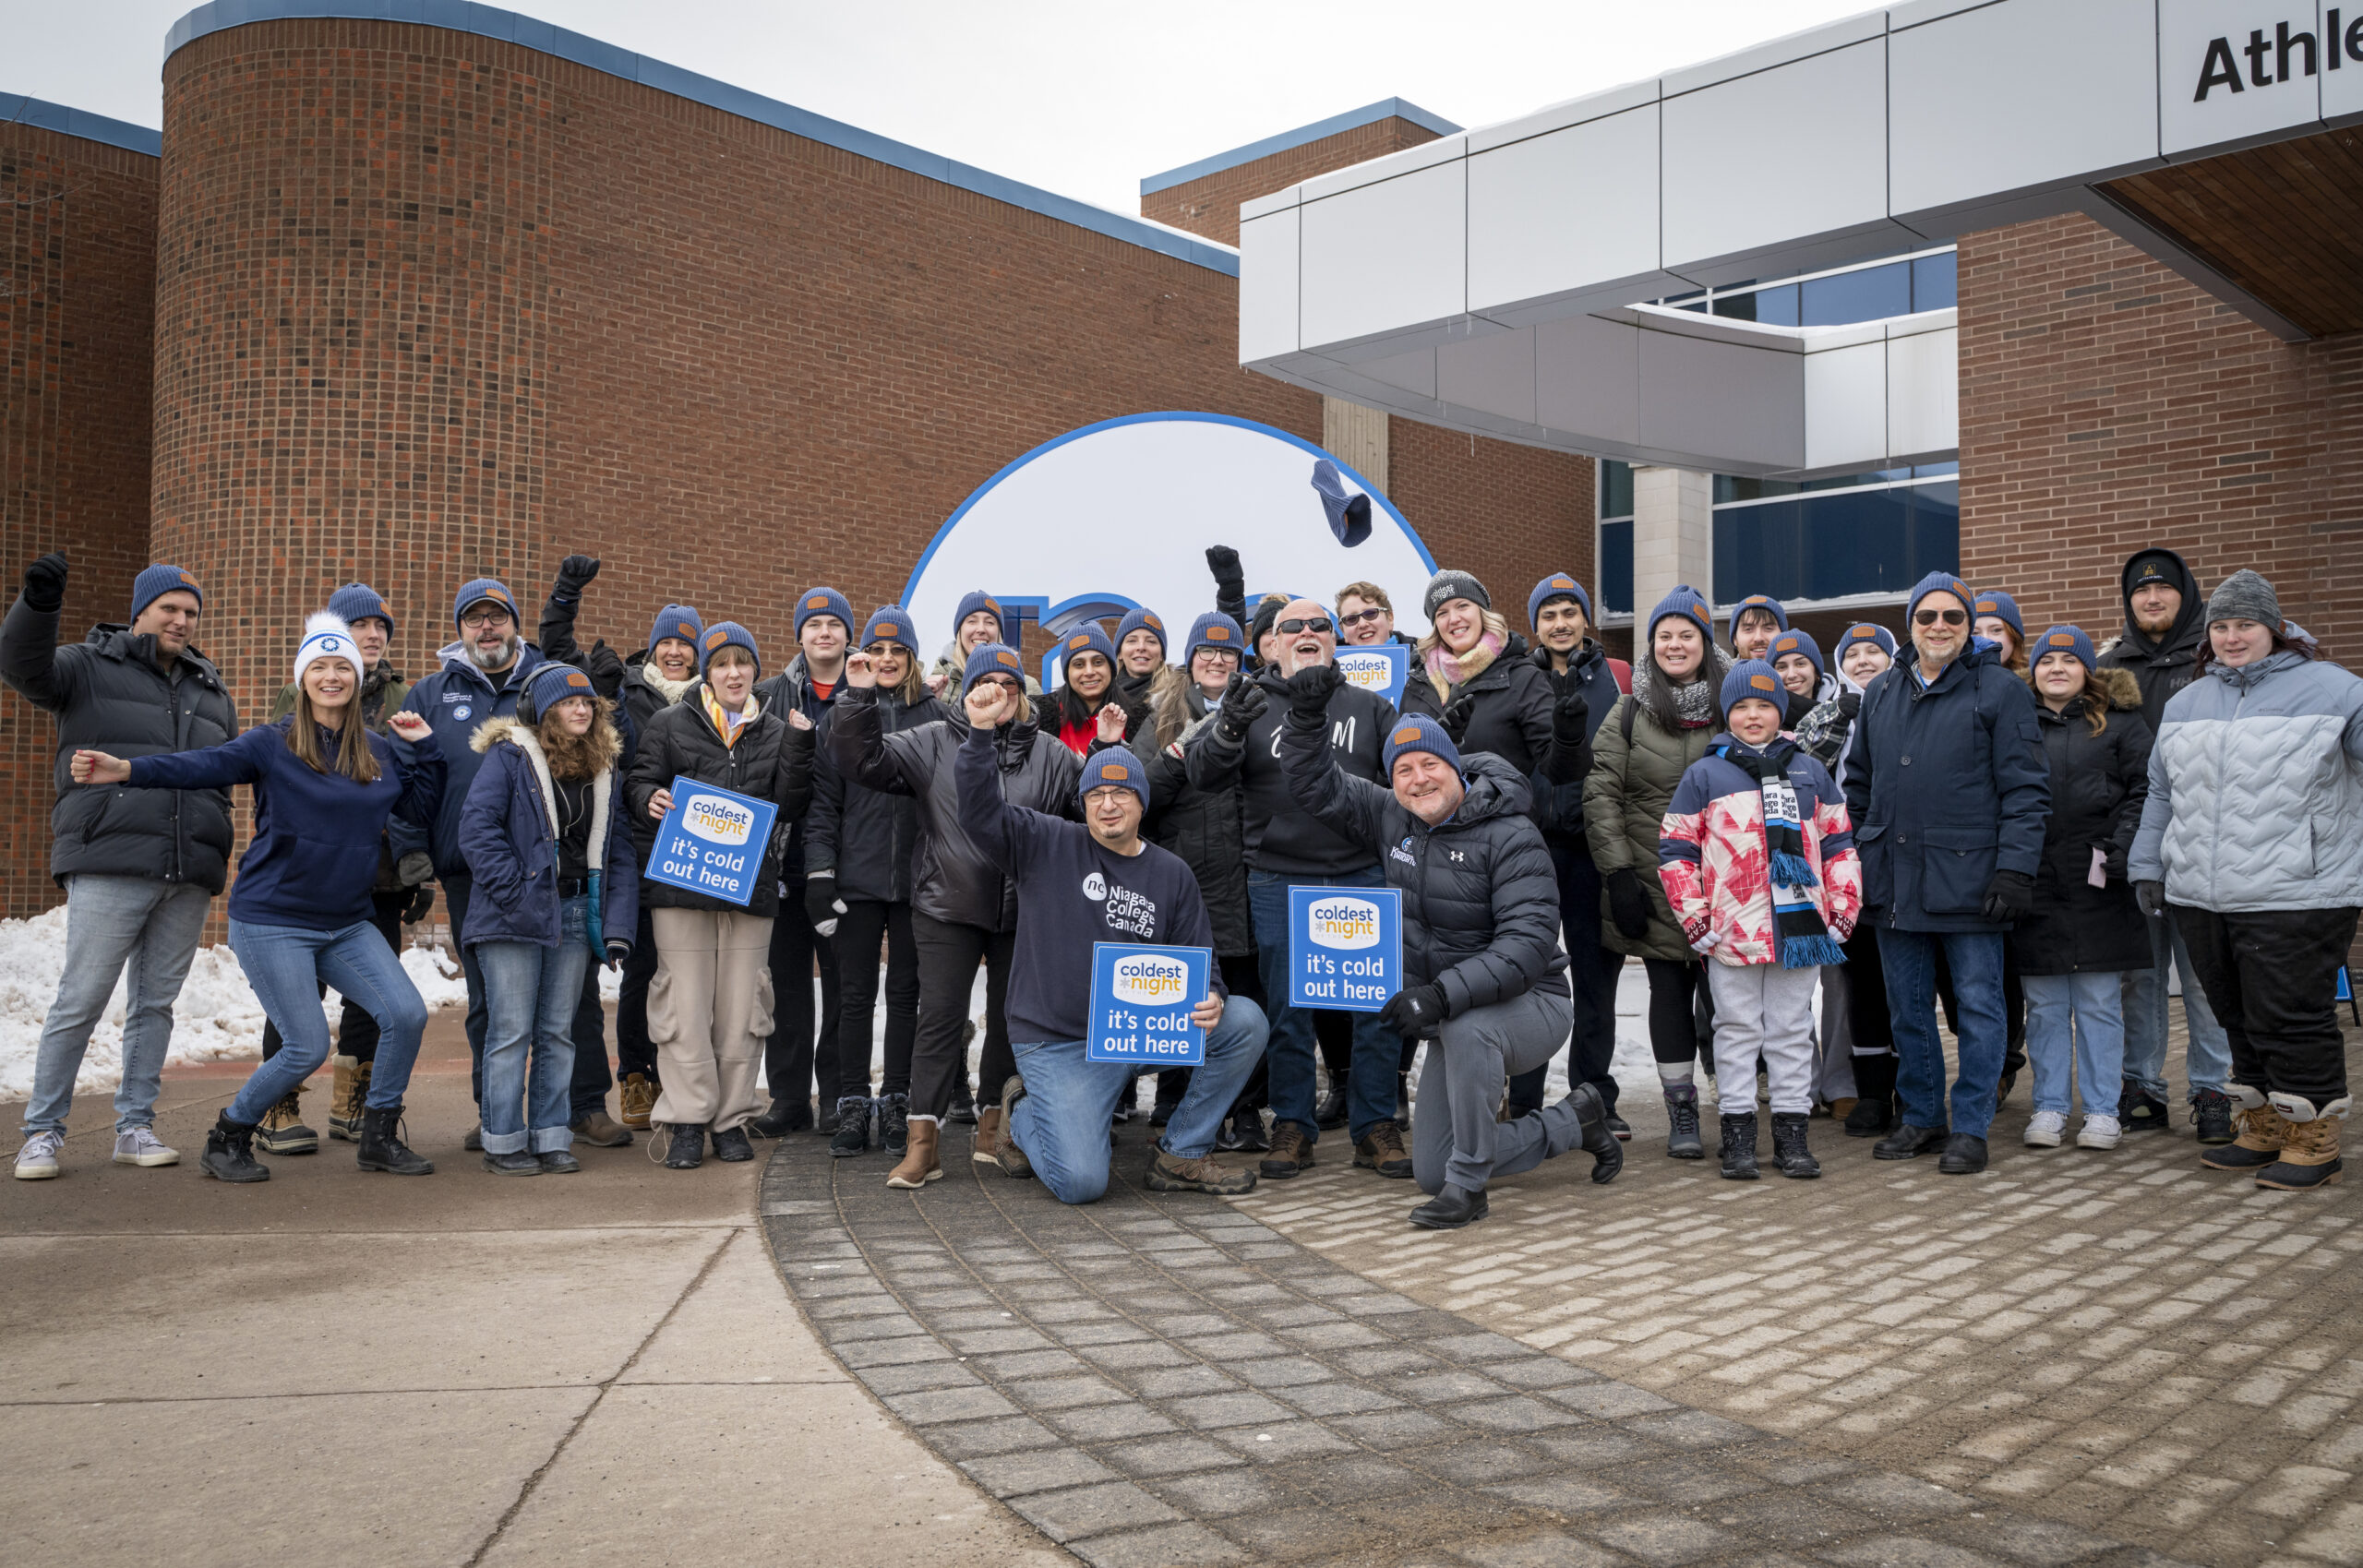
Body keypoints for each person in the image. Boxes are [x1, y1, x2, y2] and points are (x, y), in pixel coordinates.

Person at [71, 612, 442, 1183]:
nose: (332, 676)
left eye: (342, 665)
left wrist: (424, 750)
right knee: (306, 1045)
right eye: (319, 666)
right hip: (273, 919)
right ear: (303, 678)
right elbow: (200, 766)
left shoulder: (377, 750)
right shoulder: (273, 744)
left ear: (356, 677)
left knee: (407, 1013)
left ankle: (379, 1135)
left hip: (345, 922)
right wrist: (126, 770)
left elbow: (418, 809)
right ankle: (228, 1135)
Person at [1279, 693, 1620, 1227]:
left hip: (1534, 1004)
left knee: (1466, 1037)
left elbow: (1526, 944)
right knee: (1431, 1166)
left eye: (1430, 764)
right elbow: (1316, 787)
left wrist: (1437, 996)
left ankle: (1469, 1192)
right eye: (1403, 769)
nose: (1418, 780)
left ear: (1455, 767)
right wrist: (1305, 717)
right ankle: (1573, 1122)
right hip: (1456, 1011)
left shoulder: (1511, 832)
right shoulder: (1393, 817)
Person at [956, 702, 1267, 1203]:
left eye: (1121, 792)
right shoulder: (1044, 843)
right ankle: (1027, 1115)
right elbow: (977, 813)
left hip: (1138, 1035)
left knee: (1244, 1021)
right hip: (1058, 1043)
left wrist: (1211, 992)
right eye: (1096, 794)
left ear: (1142, 802)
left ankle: (1181, 1152)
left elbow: (1198, 953)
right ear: (1082, 803)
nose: (1107, 804)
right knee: (1080, 1183)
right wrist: (978, 737)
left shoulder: (1171, 873)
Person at [6, 557, 239, 1180]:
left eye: (191, 611)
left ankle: (135, 1125)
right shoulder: (87, 666)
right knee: (80, 998)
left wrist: (217, 835)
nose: (182, 620)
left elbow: (222, 773)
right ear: (141, 610)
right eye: (170, 608)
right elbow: (21, 666)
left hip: (187, 869)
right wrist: (38, 603)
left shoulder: (209, 685)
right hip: (110, 859)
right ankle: (42, 1132)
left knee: (155, 1005)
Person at [2132, 570, 2363, 1191]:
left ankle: (2313, 1133)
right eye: (2222, 626)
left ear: (2275, 628)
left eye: (2246, 624)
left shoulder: (2337, 691)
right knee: (2236, 1013)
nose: (2233, 637)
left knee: (2292, 1015)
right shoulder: (2187, 701)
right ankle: (2262, 1124)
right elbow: (2162, 792)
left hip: (2299, 891)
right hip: (2204, 894)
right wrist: (2148, 863)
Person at [830, 642, 1082, 1187]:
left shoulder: (1054, 755)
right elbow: (859, 760)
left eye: (1008, 686)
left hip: (1023, 907)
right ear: (967, 691)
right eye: (984, 685)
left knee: (1012, 1020)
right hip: (946, 902)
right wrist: (857, 697)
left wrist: (1109, 751)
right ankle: (924, 1144)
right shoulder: (933, 740)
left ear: (1022, 693)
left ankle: (995, 1130)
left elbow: (1094, 812)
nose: (995, 695)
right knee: (939, 1018)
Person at [1185, 598, 1403, 1181]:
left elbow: (1404, 781)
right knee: (1288, 1009)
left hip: (1362, 873)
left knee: (1375, 1008)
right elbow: (1202, 772)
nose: (1308, 632)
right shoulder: (1249, 703)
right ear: (1270, 645)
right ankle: (1293, 1125)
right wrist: (1228, 723)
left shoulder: (1370, 704)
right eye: (1293, 627)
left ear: (1334, 642)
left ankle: (1375, 1125)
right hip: (1279, 875)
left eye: (1319, 626)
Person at [1845, 571, 2049, 1176]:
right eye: (1927, 616)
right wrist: (1861, 848)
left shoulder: (1999, 691)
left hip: (1971, 880)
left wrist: (2014, 869)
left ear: (1967, 626)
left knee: (1980, 1008)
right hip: (1894, 879)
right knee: (1907, 1007)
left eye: (1952, 618)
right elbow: (1858, 781)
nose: (1939, 627)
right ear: (1910, 623)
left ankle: (1971, 1124)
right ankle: (1924, 1115)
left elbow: (2027, 790)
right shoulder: (1882, 689)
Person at [1659, 661, 1861, 1180]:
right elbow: (1676, 851)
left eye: (1765, 705)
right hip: (1732, 931)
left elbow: (1839, 844)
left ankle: (1792, 1135)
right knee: (1736, 1030)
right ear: (1727, 714)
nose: (1753, 716)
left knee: (1792, 1031)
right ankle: (1738, 1134)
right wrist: (1696, 918)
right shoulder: (1705, 773)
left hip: (1801, 930)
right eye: (1742, 707)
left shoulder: (1809, 770)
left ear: (1780, 711)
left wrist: (1842, 909)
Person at [246, 584, 428, 1154]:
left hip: (380, 878)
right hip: (306, 882)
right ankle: (278, 1103)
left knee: (376, 1002)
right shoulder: (299, 698)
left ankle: (356, 1104)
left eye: (381, 627)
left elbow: (415, 790)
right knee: (300, 996)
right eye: (360, 626)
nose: (373, 635)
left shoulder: (404, 695)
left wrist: (414, 868)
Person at [625, 622, 813, 1170]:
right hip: (680, 888)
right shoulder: (668, 722)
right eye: (723, 663)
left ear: (757, 671)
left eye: (743, 663)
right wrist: (649, 798)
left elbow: (792, 805)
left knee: (741, 1010)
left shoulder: (778, 729)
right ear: (708, 671)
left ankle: (731, 1120)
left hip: (749, 889)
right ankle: (688, 1119)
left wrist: (800, 745)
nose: (734, 673)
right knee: (683, 1007)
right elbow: (639, 782)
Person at [457, 663, 640, 1174]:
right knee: (511, 1030)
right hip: (513, 912)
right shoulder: (510, 757)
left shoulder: (605, 767)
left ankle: (552, 1135)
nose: (580, 709)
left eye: (588, 703)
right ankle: (503, 1141)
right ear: (542, 710)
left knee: (559, 1030)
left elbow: (617, 850)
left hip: (577, 910)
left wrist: (617, 925)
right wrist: (516, 894)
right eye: (568, 702)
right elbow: (477, 829)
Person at [540, 584, 706, 1133]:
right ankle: (636, 1075)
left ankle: (686, 1079)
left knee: (690, 975)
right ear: (653, 647)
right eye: (667, 643)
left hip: (699, 858)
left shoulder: (715, 700)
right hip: (638, 852)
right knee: (642, 972)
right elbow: (573, 694)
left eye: (685, 645)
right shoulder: (624, 689)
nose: (675, 652)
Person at [1585, 585, 1733, 1161]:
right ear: (1652, 646)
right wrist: (1619, 875)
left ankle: (1739, 1107)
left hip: (1730, 888)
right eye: (1664, 636)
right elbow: (1602, 795)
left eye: (1685, 634)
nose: (1675, 644)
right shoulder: (1629, 712)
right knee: (1670, 994)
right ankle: (1682, 1112)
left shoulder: (1736, 704)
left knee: (1730, 1003)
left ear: (1704, 641)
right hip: (1654, 881)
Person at [400, 577, 546, 1147]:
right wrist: (413, 853)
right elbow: (409, 780)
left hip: (545, 870)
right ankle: (497, 1113)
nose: (487, 627)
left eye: (497, 616)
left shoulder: (545, 683)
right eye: (474, 619)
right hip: (469, 872)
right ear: (460, 631)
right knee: (488, 999)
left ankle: (569, 1110)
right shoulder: (431, 694)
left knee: (557, 1001)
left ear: (515, 623)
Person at [2099, 548, 2232, 1139]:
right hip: (2134, 846)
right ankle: (2143, 1088)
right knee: (2141, 975)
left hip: (2208, 843)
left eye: (2164, 591)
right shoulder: (2108, 668)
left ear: (2187, 595)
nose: (2152, 600)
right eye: (2140, 592)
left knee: (2205, 975)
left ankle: (2213, 1090)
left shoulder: (2215, 660)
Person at [806, 605, 947, 1158]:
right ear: (862, 657)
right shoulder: (838, 718)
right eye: (878, 651)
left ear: (912, 657)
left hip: (920, 880)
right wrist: (821, 872)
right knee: (852, 995)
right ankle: (850, 1103)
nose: (887, 660)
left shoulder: (940, 716)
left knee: (908, 994)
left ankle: (896, 1102)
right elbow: (822, 807)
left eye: (898, 651)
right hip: (857, 880)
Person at [2013, 627, 2152, 1152]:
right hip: (2039, 883)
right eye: (2046, 660)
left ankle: (2101, 1110)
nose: (2056, 669)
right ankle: (2049, 1107)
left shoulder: (2120, 723)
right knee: (2044, 1006)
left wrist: (2125, 844)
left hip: (2101, 883)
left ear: (2088, 671)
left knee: (2098, 1003)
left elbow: (2146, 788)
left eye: (2069, 661)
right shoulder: (2017, 725)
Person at [1506, 572, 1631, 1134]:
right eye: (1549, 614)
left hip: (1592, 847)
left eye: (1569, 612)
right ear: (1536, 625)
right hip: (1528, 849)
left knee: (1595, 977)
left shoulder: (1619, 680)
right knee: (1527, 972)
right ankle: (1524, 1101)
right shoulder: (1516, 678)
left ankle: (1592, 1096)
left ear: (1586, 618)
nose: (1560, 624)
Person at [1140, 611, 1267, 1148]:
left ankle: (1248, 1113)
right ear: (1190, 660)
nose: (1217, 661)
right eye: (1206, 652)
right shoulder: (1164, 715)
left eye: (1228, 653)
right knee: (1199, 1004)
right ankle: (1196, 1112)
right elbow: (1141, 793)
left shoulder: (1262, 709)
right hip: (1192, 878)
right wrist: (1181, 752)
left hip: (1252, 875)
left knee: (1249, 997)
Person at [750, 587, 854, 1137]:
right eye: (813, 625)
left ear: (846, 635)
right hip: (780, 862)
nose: (824, 634)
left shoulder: (862, 692)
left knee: (842, 984)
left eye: (834, 625)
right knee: (786, 986)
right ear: (799, 636)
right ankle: (789, 1097)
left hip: (841, 864)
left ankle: (836, 1096)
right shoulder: (770, 694)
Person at [1795, 621, 1901, 1136]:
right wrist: (1840, 718)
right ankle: (1868, 1089)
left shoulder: (1909, 701)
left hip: (1904, 860)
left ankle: (1911, 1084)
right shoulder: (1826, 713)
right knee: (1858, 979)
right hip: (1843, 862)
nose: (1863, 661)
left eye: (1873, 652)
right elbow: (1809, 773)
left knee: (1904, 978)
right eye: (1852, 653)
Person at [1038, 623, 1147, 756]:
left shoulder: (1140, 717)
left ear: (1111, 669)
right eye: (1079, 665)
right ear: (1067, 673)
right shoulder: (1039, 716)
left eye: (1098, 662)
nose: (1089, 672)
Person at [1113, 606, 1169, 705]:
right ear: (1120, 653)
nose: (1141, 647)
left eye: (1151, 641)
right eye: (1132, 641)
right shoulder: (1102, 696)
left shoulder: (1178, 698)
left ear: (1161, 655)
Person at [1335, 581, 1410, 648]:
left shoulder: (1421, 659)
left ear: (1390, 618)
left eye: (1370, 614)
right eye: (1351, 619)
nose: (1362, 624)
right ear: (1343, 632)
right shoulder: (1327, 663)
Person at [1973, 590, 2028, 675]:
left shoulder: (2036, 684)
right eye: (1975, 633)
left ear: (2015, 636)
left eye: (1996, 630)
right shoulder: (1953, 683)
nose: (1985, 639)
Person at [1727, 593, 1788, 663]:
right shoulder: (1721, 673)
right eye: (1748, 629)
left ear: (1783, 635)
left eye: (1768, 628)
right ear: (1735, 638)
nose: (1758, 638)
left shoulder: (1796, 673)